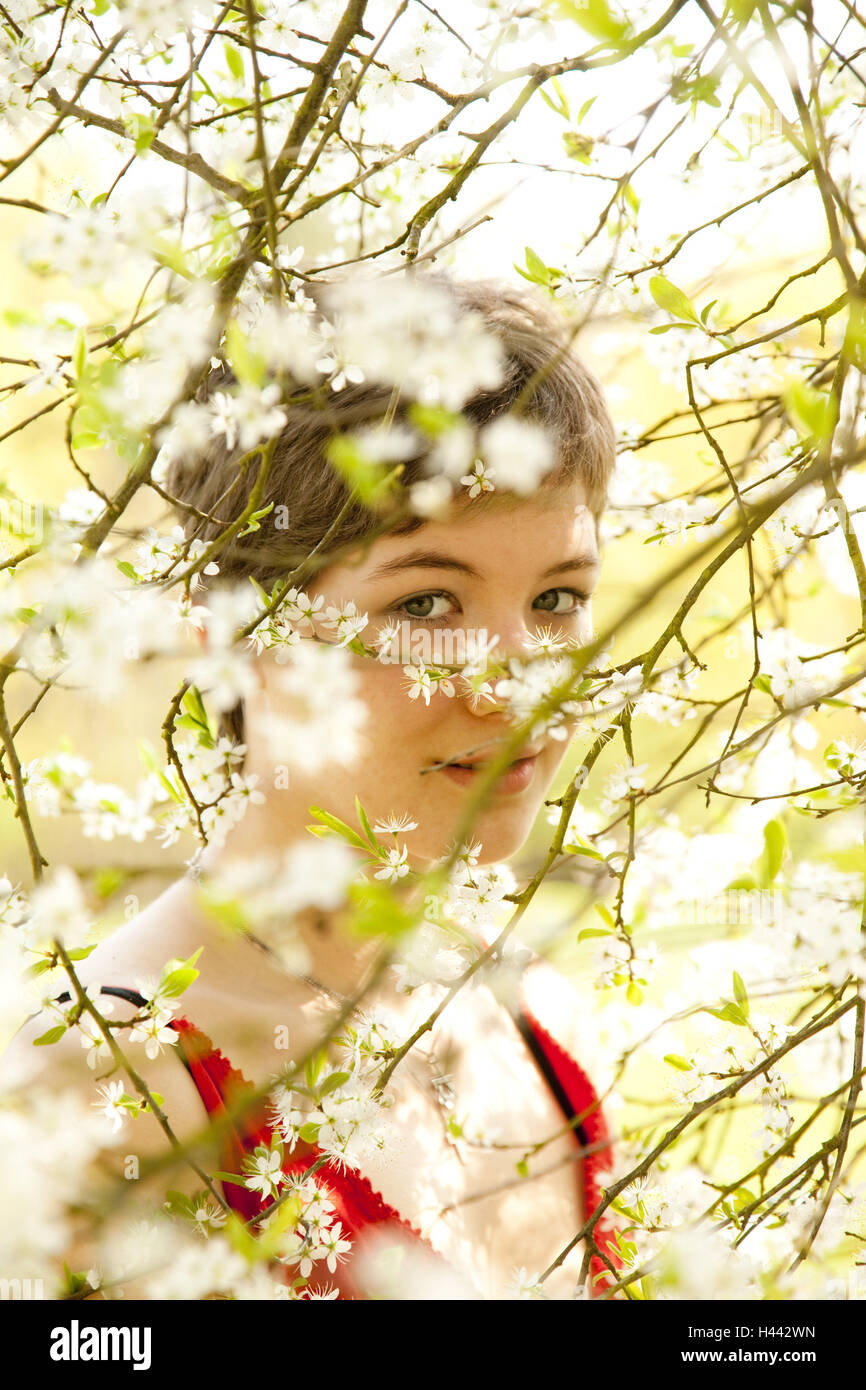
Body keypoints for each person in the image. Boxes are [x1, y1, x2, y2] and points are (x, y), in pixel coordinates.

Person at [4, 272, 619, 1300]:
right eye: (427, 600)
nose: (517, 685)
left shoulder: (540, 1022)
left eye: (557, 599)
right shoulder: (98, 1100)